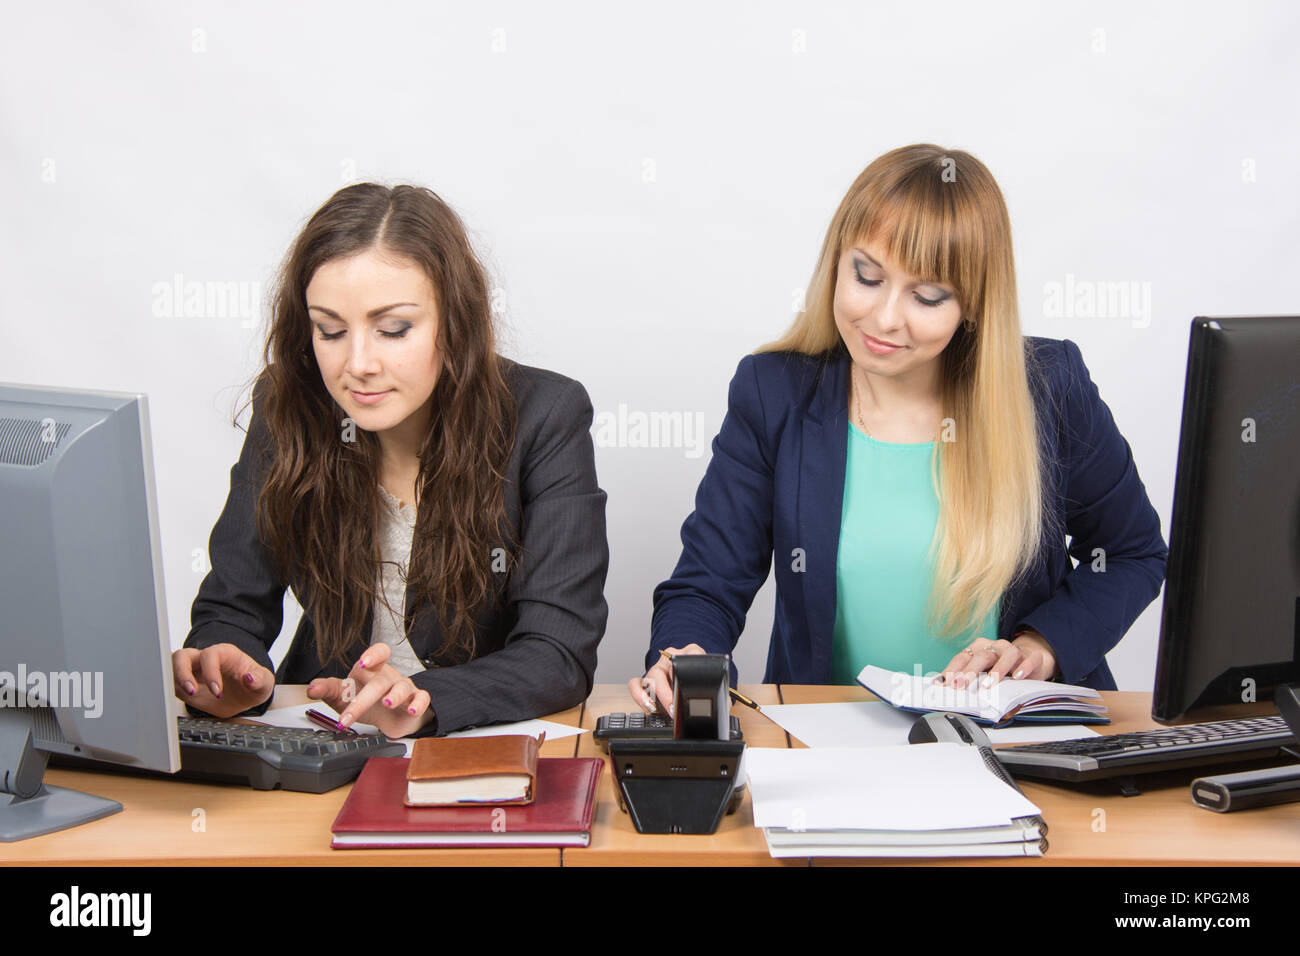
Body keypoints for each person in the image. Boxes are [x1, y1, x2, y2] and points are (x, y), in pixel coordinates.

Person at [630, 144, 1168, 715]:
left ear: (973, 304)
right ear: (836, 263)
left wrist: (1042, 645)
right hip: (833, 745)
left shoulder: (1050, 388)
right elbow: (709, 583)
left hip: (1020, 739)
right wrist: (685, 652)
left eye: (928, 296)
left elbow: (1131, 552)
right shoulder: (774, 392)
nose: (885, 319)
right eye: (866, 276)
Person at [173, 183, 609, 737]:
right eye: (329, 330)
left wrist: (423, 700)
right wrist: (223, 665)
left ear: (454, 323)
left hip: (475, 744)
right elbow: (232, 605)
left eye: (393, 329)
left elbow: (558, 652)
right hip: (325, 737)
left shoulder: (544, 415)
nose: (358, 363)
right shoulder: (289, 406)